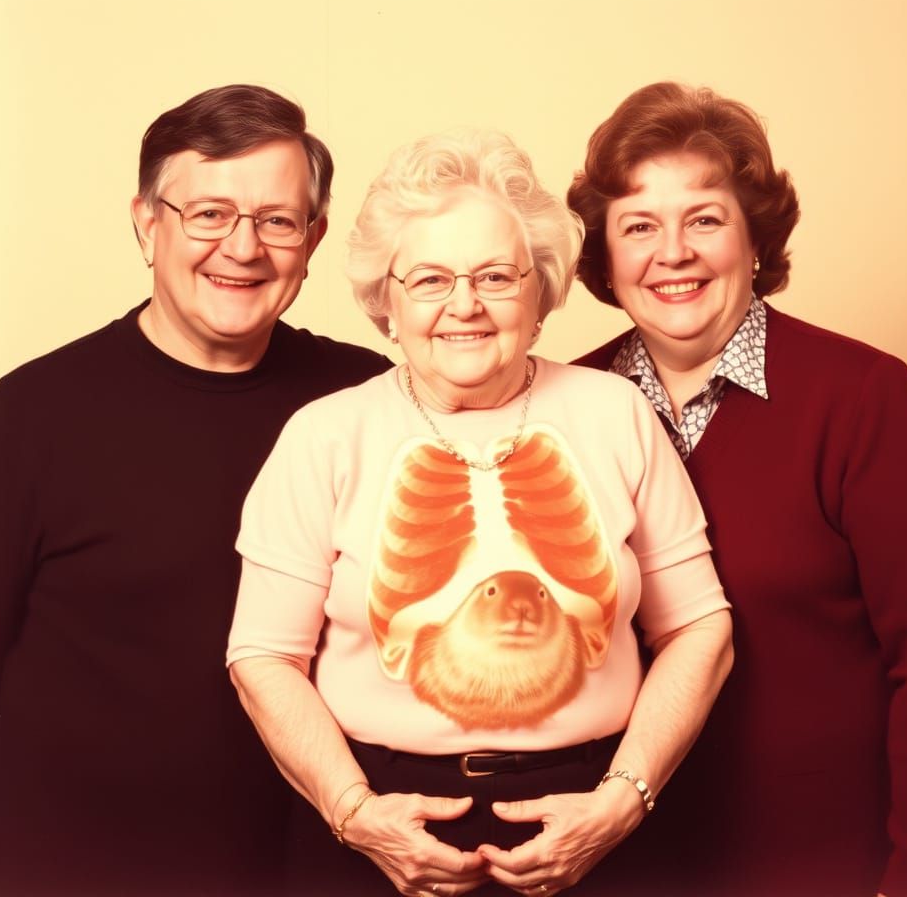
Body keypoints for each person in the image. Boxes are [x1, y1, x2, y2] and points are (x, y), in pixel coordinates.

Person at [225, 127, 734, 896]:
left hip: (599, 816)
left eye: (496, 276)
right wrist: (354, 810)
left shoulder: (616, 412)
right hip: (374, 829)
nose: (464, 304)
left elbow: (700, 626)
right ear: (385, 302)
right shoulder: (325, 435)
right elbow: (262, 656)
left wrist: (623, 801)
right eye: (429, 280)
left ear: (540, 293)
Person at [568, 81, 907, 897]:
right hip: (618, 870)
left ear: (755, 238)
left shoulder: (862, 396)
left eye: (704, 218)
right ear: (605, 259)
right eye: (638, 226)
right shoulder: (567, 405)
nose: (674, 252)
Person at [0, 84, 390, 897]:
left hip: (326, 867)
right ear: (146, 222)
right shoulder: (28, 418)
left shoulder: (368, 402)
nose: (243, 248)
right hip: (74, 872)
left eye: (276, 221)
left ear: (312, 239)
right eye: (208, 214)